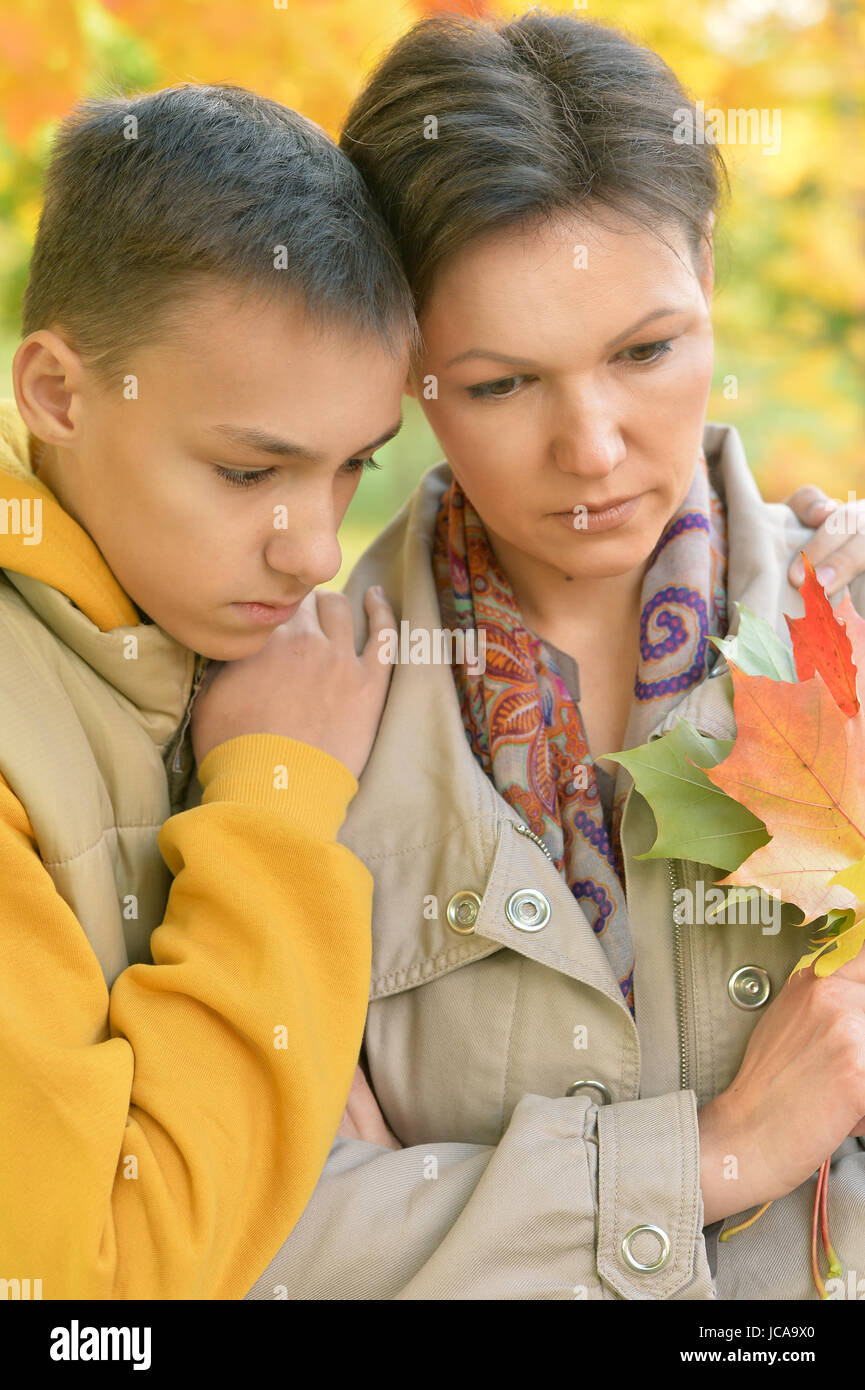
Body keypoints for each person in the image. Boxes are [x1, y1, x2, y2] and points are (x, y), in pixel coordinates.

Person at [244, 11, 865, 1300]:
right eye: (500, 384)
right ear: (403, 360)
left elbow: (385, 1238)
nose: (592, 448)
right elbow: (268, 1244)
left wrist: (458, 1217)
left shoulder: (848, 629)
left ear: (705, 268)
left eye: (645, 351)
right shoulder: (280, 719)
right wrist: (718, 1154)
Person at [0, 82, 415, 1298]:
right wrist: (273, 814)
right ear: (59, 394)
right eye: (248, 470)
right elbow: (86, 1293)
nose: (312, 549)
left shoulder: (190, 632)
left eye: (352, 468)